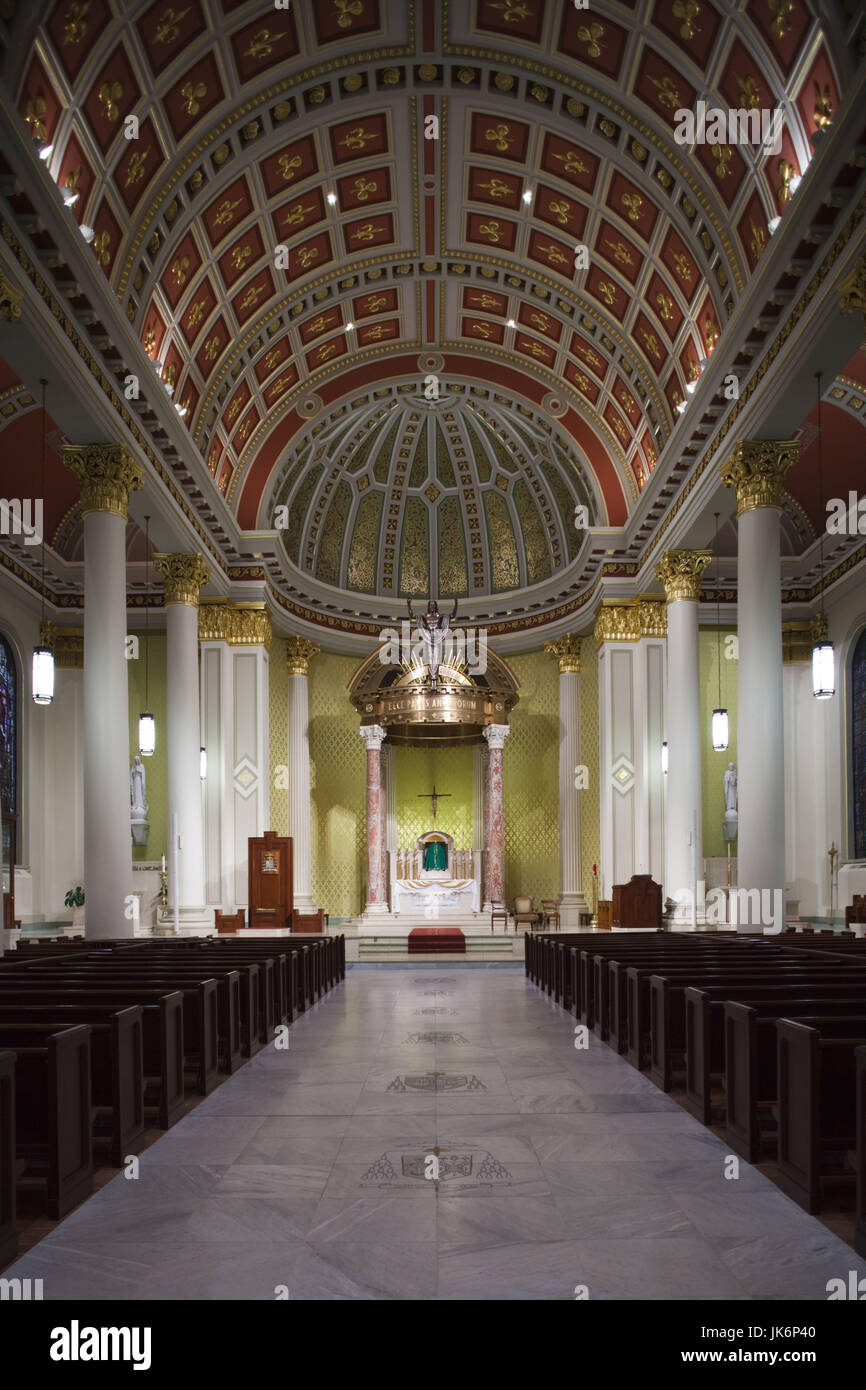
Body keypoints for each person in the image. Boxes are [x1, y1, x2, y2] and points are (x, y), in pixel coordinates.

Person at [407, 597, 458, 691]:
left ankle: (434, 681)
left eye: (433, 605)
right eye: (430, 605)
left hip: (438, 638)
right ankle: (432, 681)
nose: (432, 606)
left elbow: (452, 615)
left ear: (436, 606)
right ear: (428, 606)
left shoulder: (441, 616)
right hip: (428, 637)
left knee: (436, 659)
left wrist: (456, 603)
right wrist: (409, 604)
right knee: (430, 659)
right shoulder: (424, 616)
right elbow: (412, 616)